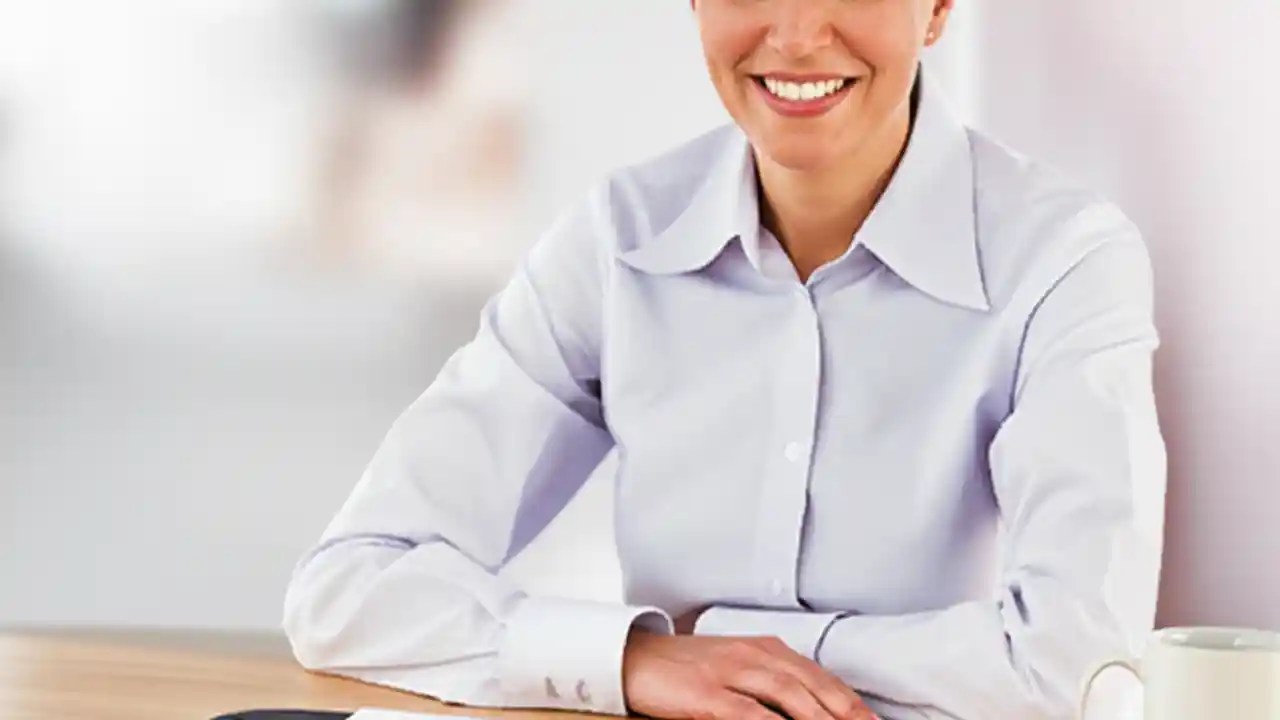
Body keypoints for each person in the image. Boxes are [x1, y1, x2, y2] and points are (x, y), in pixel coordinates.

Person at [283, 1, 1166, 719]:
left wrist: (729, 643)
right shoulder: (619, 240)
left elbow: (1075, 670)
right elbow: (347, 589)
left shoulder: (1062, 258)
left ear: (936, 8)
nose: (795, 33)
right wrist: (634, 661)